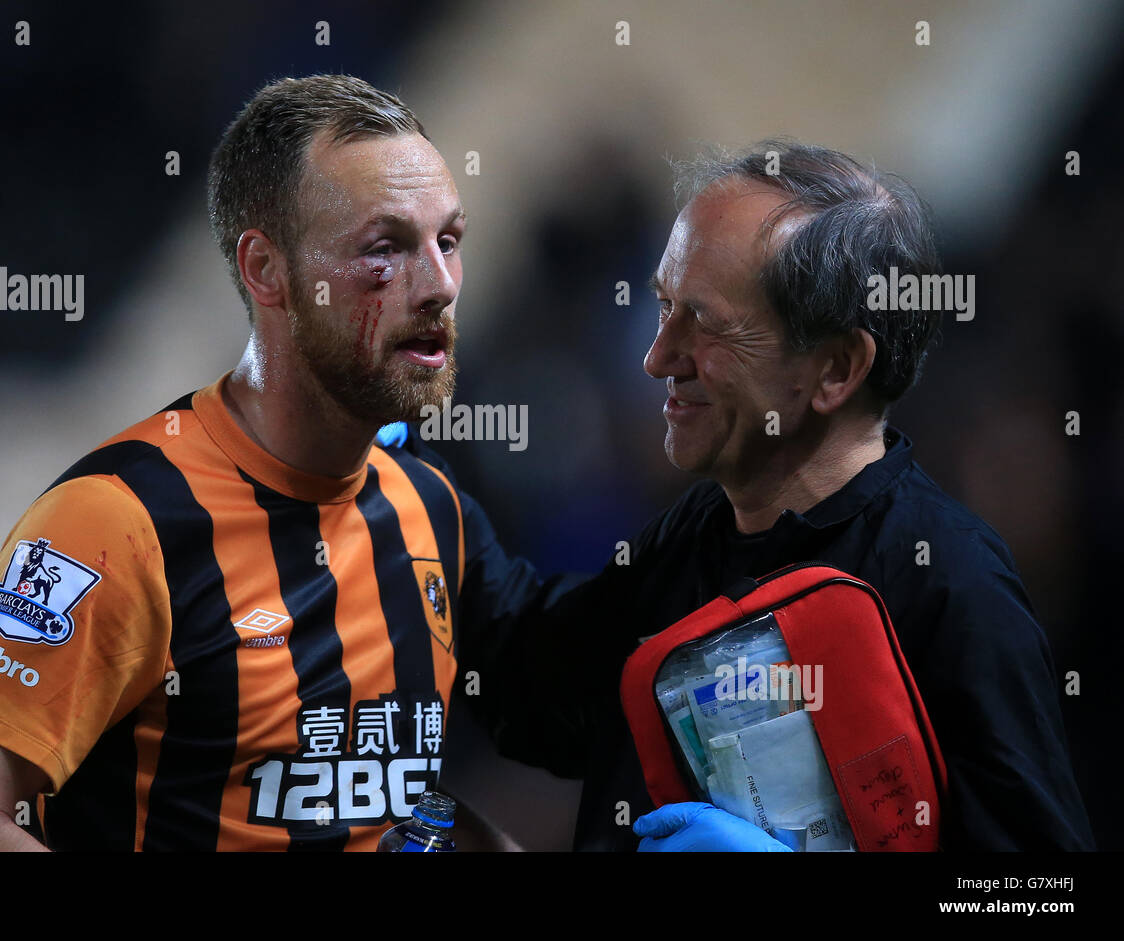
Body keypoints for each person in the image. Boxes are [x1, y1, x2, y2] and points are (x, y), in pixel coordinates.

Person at [0, 74, 476, 851]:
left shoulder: (430, 507)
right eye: (384, 249)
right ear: (267, 271)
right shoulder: (116, 521)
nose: (437, 284)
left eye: (448, 241)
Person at [459, 141, 1095, 851]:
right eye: (666, 309)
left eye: (709, 326)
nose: (658, 357)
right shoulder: (695, 534)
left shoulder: (950, 580)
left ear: (836, 368)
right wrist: (403, 487)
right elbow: (536, 694)